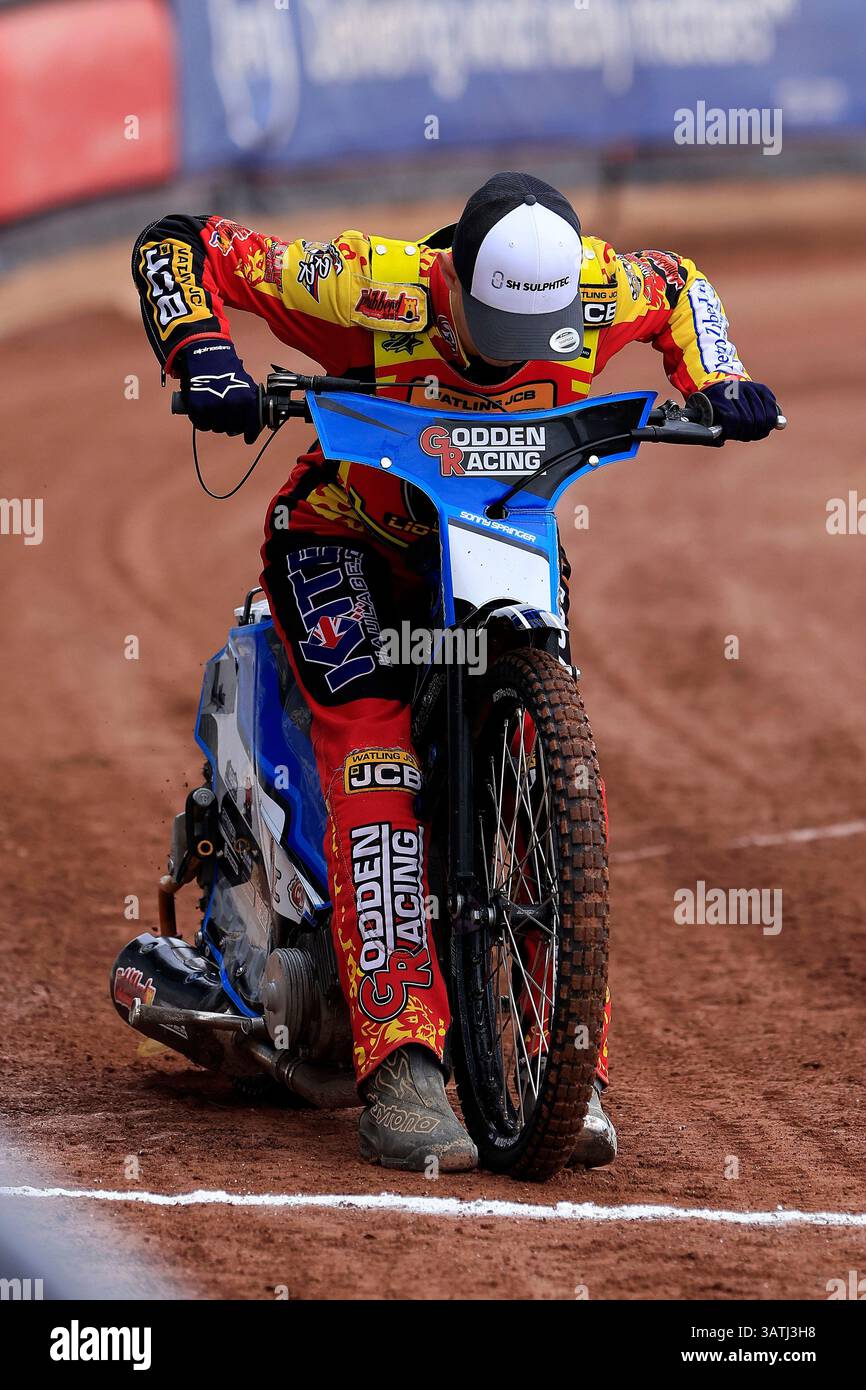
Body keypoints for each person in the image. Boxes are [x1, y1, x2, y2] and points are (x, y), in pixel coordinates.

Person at [132, 172, 779, 1173]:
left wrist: (717, 377)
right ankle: (399, 1066)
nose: (518, 352)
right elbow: (182, 245)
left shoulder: (603, 286)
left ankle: (562, 1066)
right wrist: (204, 355)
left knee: (557, 773)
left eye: (541, 333)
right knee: (376, 756)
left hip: (498, 545)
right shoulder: (369, 286)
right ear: (454, 284)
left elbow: (683, 284)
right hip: (345, 544)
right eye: (492, 327)